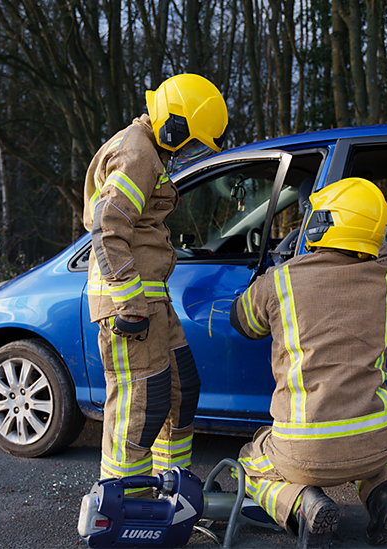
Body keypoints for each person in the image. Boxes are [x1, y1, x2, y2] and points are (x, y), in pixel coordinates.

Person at [229, 177, 387, 548]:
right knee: (376, 462)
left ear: (321, 223)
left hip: (305, 450)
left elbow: (243, 322)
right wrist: (370, 237)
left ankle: (304, 505)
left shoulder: (280, 281)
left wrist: (283, 268)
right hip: (377, 441)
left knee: (252, 459)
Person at [83, 74, 228, 496]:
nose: (189, 151)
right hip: (129, 302)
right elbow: (107, 225)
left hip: (150, 298)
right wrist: (128, 303)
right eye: (191, 141)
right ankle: (124, 497)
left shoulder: (148, 150)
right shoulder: (137, 154)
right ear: (174, 126)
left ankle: (173, 485)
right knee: (140, 404)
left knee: (182, 388)